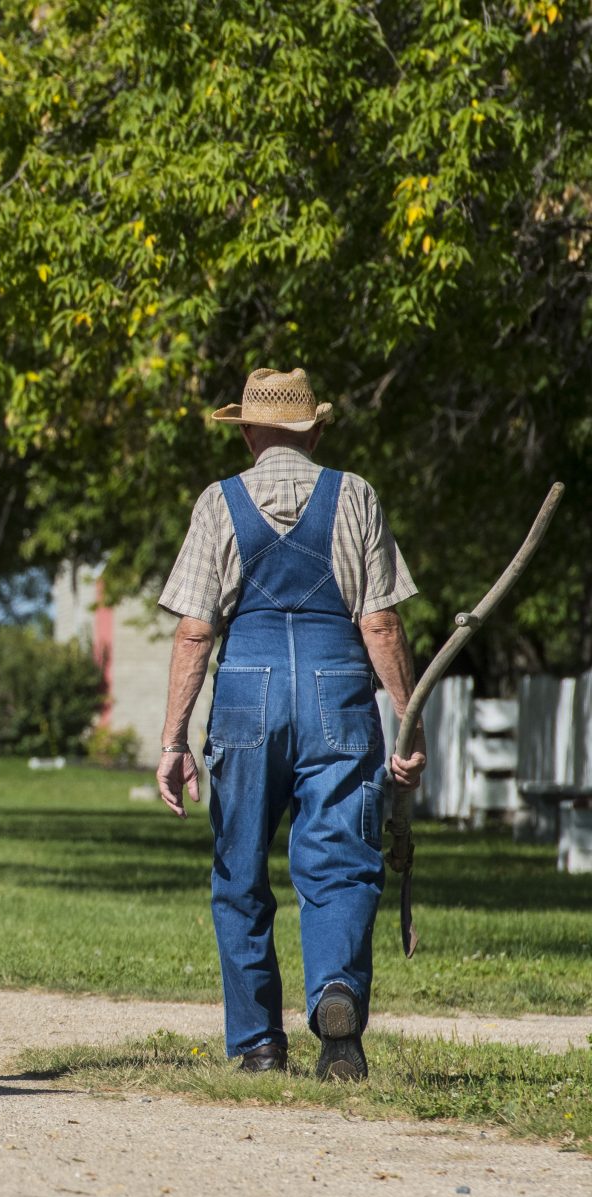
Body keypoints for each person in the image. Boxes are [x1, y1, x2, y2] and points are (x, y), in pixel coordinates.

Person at [156, 367, 426, 1080]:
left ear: (247, 433)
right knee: (341, 863)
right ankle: (336, 1001)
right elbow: (381, 622)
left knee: (239, 868)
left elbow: (192, 633)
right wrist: (408, 721)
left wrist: (172, 740)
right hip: (338, 692)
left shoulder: (218, 503)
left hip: (246, 693)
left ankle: (257, 1042)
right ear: (317, 431)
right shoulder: (355, 495)